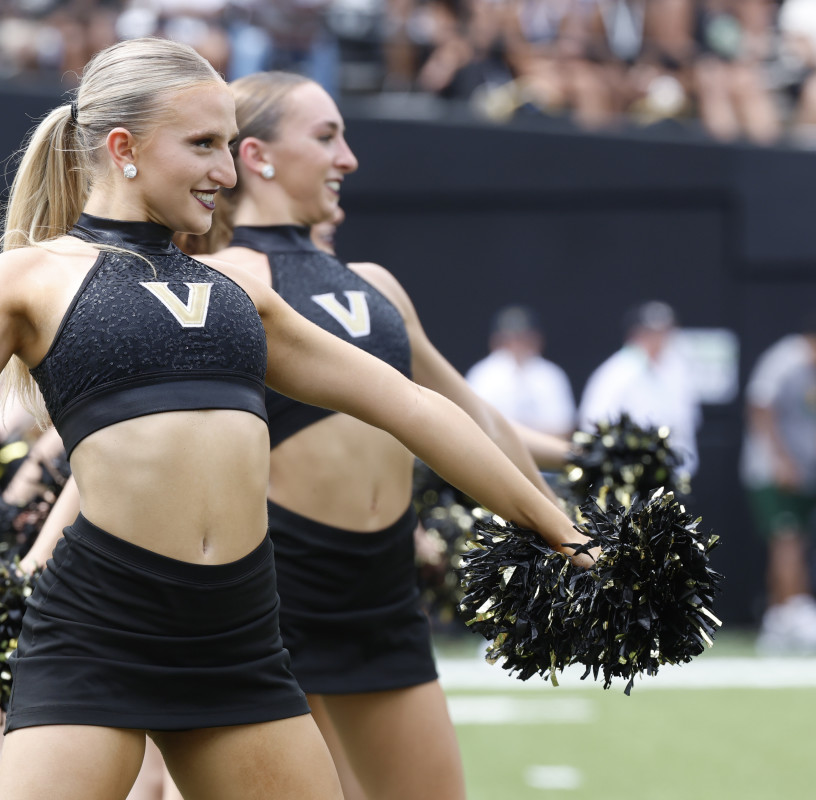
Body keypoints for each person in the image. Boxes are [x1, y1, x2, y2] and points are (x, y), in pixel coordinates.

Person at [0, 38, 590, 800]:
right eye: (203, 145)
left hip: (238, 638)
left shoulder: (242, 294)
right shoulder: (29, 278)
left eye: (229, 145)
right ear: (125, 149)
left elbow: (415, 408)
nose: (223, 169)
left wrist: (561, 531)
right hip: (99, 628)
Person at [171, 70, 578, 800]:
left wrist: (563, 531)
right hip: (277, 592)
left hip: (384, 594)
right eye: (327, 137)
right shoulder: (222, 279)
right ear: (257, 157)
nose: (348, 158)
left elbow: (472, 417)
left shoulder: (377, 284)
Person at [741, 315, 816, 654]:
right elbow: (760, 408)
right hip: (772, 472)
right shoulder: (784, 360)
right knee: (787, 539)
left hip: (806, 472)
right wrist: (781, 460)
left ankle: (780, 618)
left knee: (795, 541)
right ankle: (793, 613)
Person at [578, 300, 701, 476]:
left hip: (674, 473)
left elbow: (689, 420)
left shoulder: (678, 370)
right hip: (629, 475)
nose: (659, 339)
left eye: (665, 332)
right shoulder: (616, 371)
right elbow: (592, 423)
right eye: (650, 333)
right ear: (635, 334)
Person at [466, 305, 576, 438]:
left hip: (544, 452)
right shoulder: (482, 374)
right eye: (508, 339)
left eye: (523, 338)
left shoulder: (551, 374)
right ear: (495, 341)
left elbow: (564, 427)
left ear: (536, 339)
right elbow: (474, 423)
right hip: (494, 450)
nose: (516, 344)